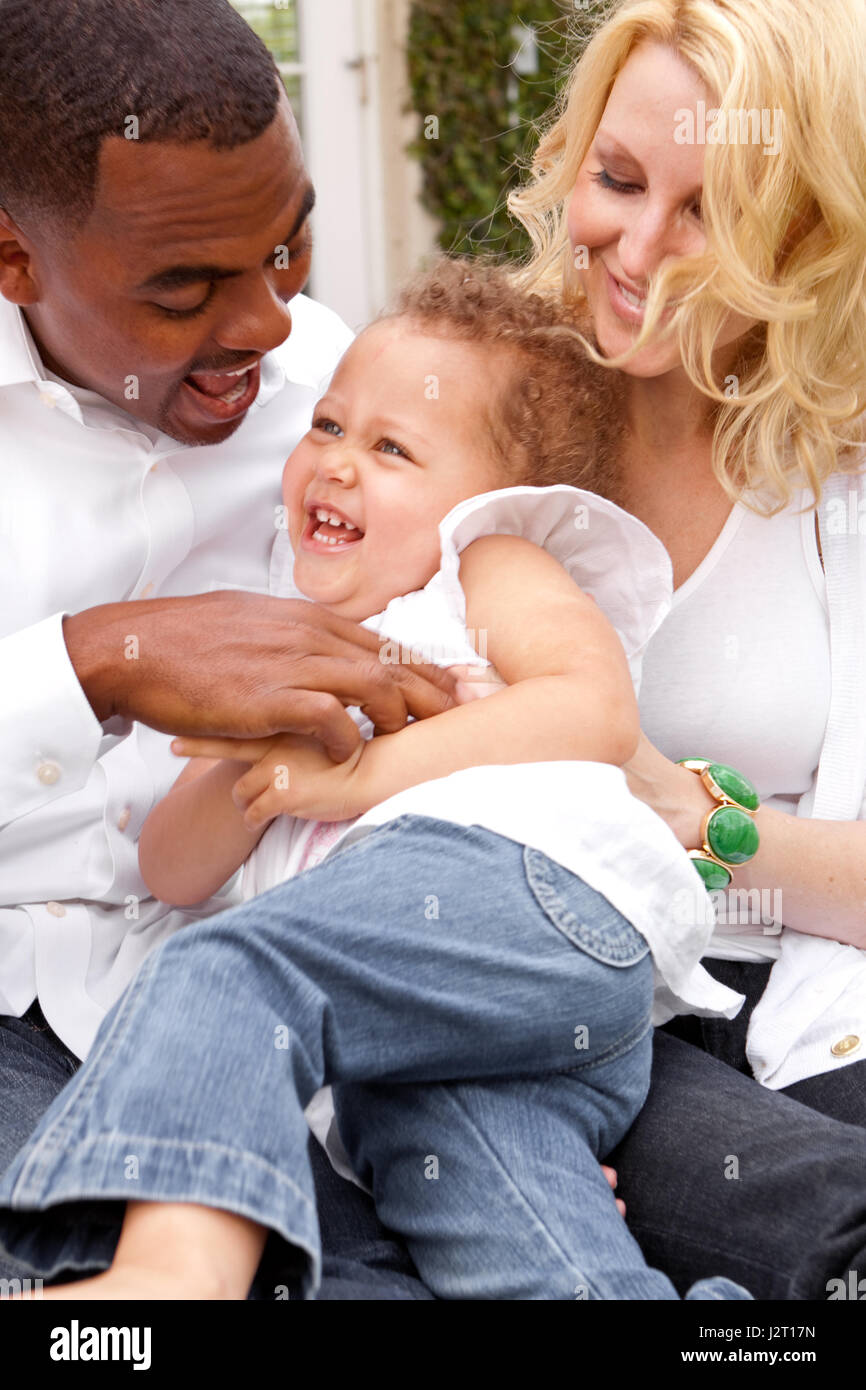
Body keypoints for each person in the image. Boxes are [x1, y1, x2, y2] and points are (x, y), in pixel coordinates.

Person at [0, 258, 752, 1301]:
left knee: (226, 972)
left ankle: (173, 1275)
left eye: (391, 447)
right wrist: (247, 766)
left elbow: (591, 710)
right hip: (453, 1021)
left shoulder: (479, 565)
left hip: (531, 898)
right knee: (487, 1200)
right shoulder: (283, 642)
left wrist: (360, 778)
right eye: (326, 427)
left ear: (502, 497)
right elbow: (173, 870)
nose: (337, 463)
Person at [0, 0, 452, 1298]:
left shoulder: (340, 392)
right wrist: (99, 658)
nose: (266, 320)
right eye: (187, 288)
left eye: (287, 241)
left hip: (239, 992)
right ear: (13, 257)